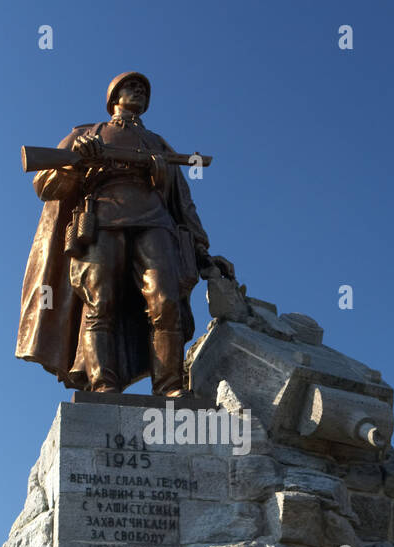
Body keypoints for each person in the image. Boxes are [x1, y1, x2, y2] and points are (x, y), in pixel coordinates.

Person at [16, 71, 233, 396]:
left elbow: (183, 203)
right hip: (100, 220)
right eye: (130, 86)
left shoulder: (158, 144)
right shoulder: (88, 132)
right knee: (99, 302)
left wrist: (201, 249)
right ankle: (103, 384)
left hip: (154, 222)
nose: (138, 92)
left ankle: (170, 385)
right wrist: (79, 162)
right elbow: (45, 184)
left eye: (143, 89)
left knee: (165, 301)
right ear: (113, 97)